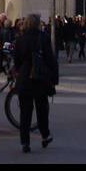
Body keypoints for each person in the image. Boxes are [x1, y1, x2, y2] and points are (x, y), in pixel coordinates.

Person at [13, 12, 57, 152]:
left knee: (25, 112)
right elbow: (50, 58)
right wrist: (54, 77)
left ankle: (24, 142)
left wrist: (20, 71)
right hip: (40, 77)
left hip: (25, 77)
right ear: (38, 23)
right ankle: (45, 135)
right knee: (42, 109)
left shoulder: (20, 39)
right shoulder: (43, 37)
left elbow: (17, 61)